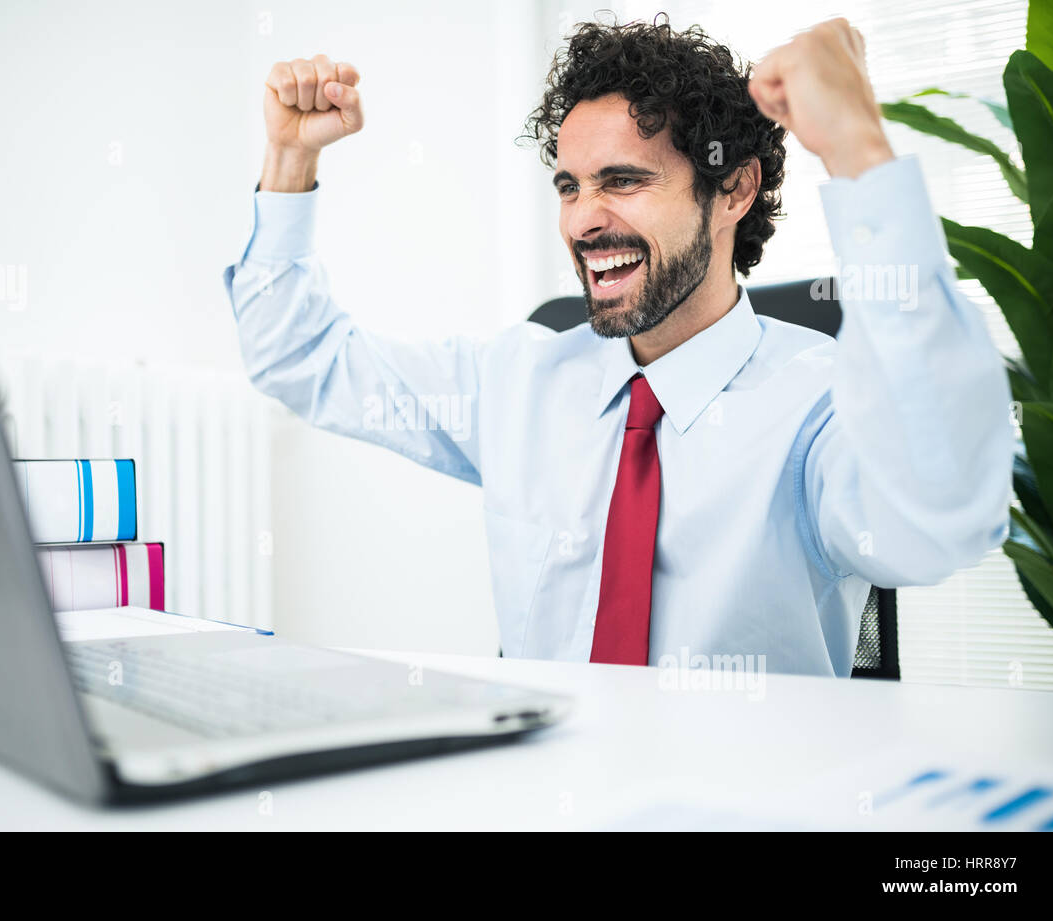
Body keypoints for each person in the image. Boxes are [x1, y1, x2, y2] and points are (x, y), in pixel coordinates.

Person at [222, 16, 1013, 676]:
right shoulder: (519, 380)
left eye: (623, 181)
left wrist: (856, 150)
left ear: (732, 190)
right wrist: (292, 157)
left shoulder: (820, 409)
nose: (581, 220)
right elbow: (301, 358)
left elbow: (942, 518)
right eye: (569, 186)